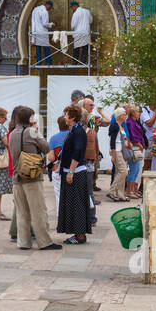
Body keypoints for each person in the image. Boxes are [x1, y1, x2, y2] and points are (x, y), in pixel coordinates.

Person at [7, 105, 61, 250]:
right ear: (30, 118)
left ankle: (23, 242)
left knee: (22, 212)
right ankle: (44, 242)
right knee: (38, 212)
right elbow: (46, 147)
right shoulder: (32, 132)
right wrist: (37, 132)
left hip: (17, 177)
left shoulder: (12, 133)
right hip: (32, 177)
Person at [57, 104, 91, 244]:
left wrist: (71, 171)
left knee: (77, 204)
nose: (64, 116)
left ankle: (80, 235)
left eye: (66, 114)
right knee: (73, 204)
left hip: (75, 173)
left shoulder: (78, 131)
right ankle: (77, 233)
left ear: (72, 117)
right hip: (70, 171)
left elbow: (77, 152)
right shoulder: (74, 130)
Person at [30, 0, 54, 66]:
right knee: (46, 47)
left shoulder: (36, 9)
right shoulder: (44, 11)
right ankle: (49, 62)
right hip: (42, 32)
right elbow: (44, 23)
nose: (49, 9)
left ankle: (39, 62)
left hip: (36, 31)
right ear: (48, 5)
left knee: (38, 47)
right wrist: (51, 24)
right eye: (50, 7)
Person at [69, 1, 93, 66]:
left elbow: (73, 25)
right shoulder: (87, 11)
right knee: (85, 49)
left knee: (76, 49)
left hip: (78, 33)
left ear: (74, 6)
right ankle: (83, 63)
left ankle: (74, 63)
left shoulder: (76, 13)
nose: (72, 9)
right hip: (86, 33)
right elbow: (91, 20)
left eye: (72, 8)